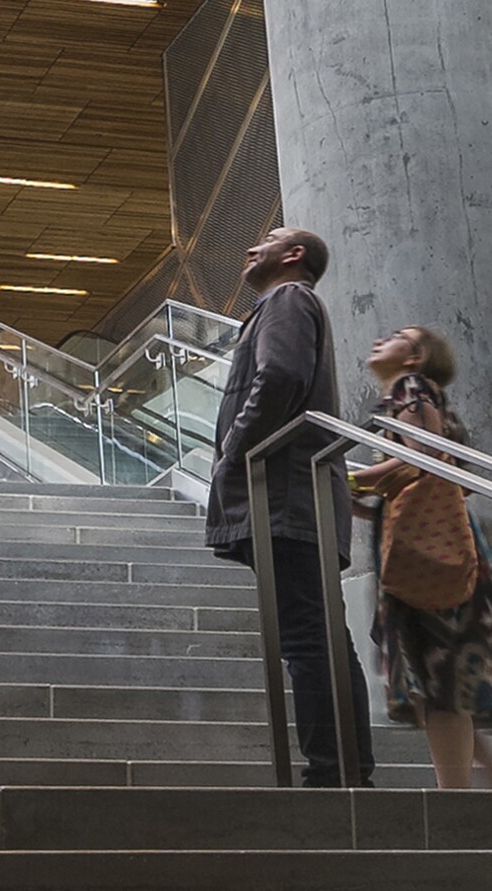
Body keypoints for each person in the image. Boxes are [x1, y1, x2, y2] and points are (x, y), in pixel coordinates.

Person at [205, 225, 375, 788]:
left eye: (267, 240)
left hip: (282, 495)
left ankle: (334, 774)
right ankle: (345, 769)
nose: (251, 247)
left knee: (309, 635)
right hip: (290, 495)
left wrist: (235, 450)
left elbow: (279, 375)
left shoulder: (287, 297)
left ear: (293, 254)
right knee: (318, 632)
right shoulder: (284, 304)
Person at [352, 324, 492, 790]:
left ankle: (458, 800)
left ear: (414, 357)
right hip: (430, 546)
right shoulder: (414, 395)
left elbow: (427, 456)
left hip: (428, 552)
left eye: (396, 335)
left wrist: (357, 478)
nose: (381, 339)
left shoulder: (410, 388)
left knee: (438, 675)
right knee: (437, 674)